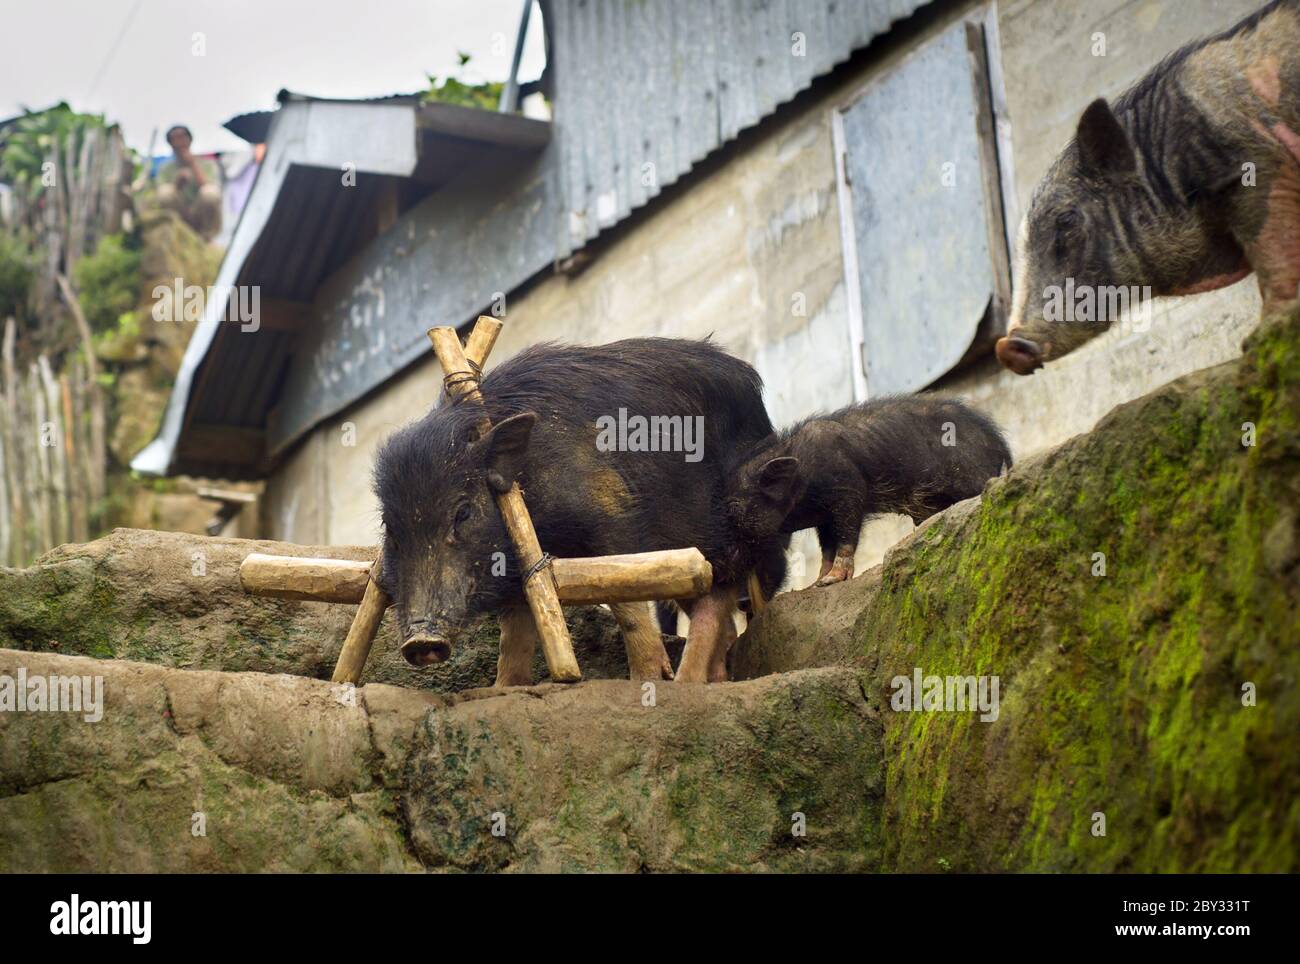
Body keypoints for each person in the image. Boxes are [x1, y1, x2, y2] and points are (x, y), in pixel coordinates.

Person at [155, 125, 222, 240]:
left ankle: (207, 237)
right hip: (181, 213)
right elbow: (163, 199)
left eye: (182, 137)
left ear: (190, 140)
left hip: (200, 213)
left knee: (210, 192)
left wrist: (193, 165)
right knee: (165, 192)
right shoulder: (165, 169)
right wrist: (177, 185)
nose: (179, 143)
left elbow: (211, 193)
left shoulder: (208, 164)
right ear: (170, 144)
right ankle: (174, 235)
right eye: (174, 139)